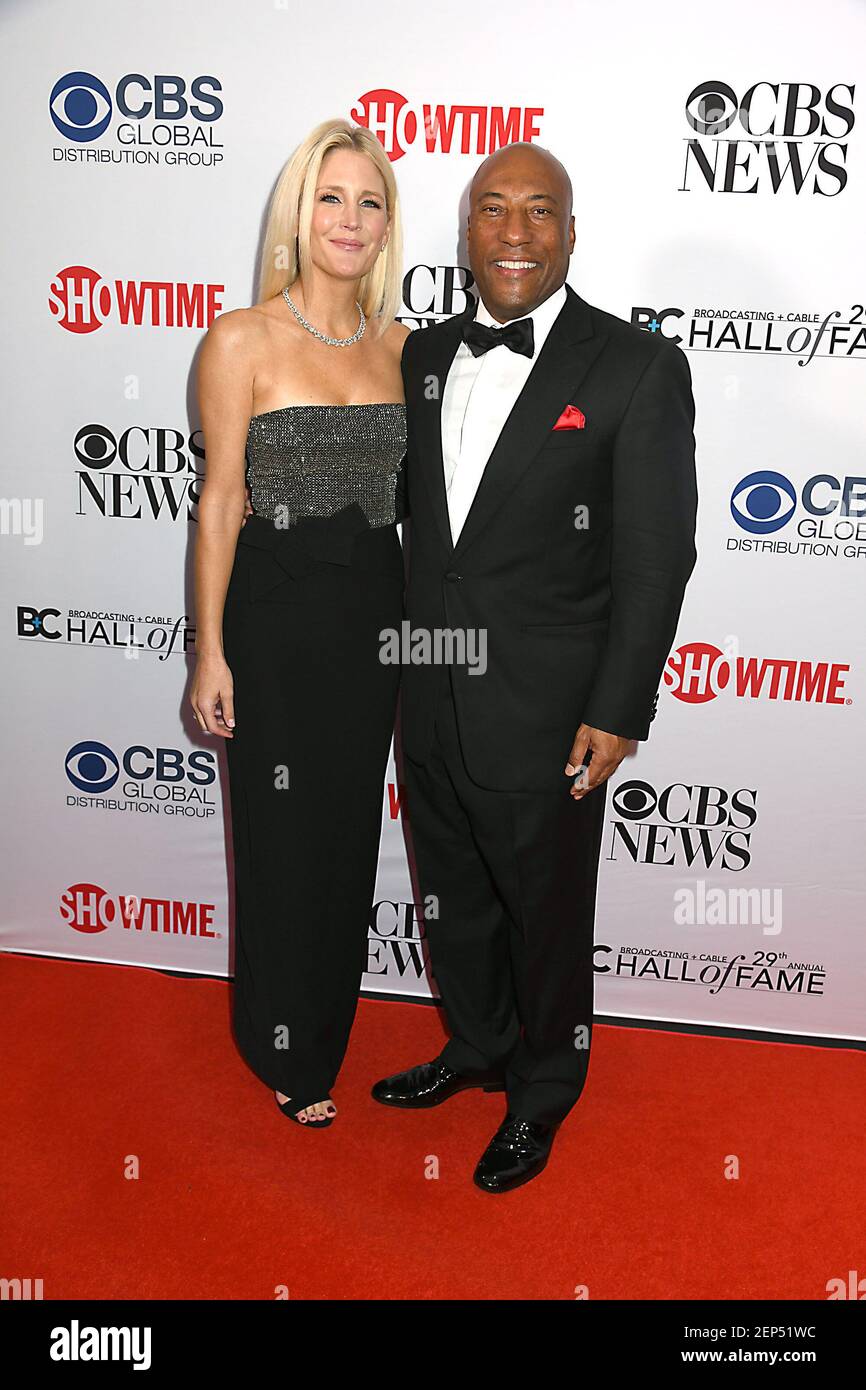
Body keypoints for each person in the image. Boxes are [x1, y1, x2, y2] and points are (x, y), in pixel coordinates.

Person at [373, 141, 698, 1191]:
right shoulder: (423, 356)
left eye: (538, 212)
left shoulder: (634, 366)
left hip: (550, 708)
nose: (514, 232)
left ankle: (543, 1088)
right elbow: (406, 522)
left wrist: (617, 706)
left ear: (568, 231)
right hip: (427, 691)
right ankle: (472, 1047)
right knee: (451, 897)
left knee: (546, 913)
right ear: (464, 231)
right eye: (492, 211)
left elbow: (655, 560)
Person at [190, 117, 410, 1126]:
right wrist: (210, 652)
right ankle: (280, 1043)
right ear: (297, 212)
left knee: (344, 838)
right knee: (280, 837)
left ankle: (324, 1025)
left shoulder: (402, 348)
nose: (349, 219)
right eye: (331, 196)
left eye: (368, 201)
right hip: (273, 627)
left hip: (372, 624)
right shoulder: (240, 339)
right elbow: (220, 501)